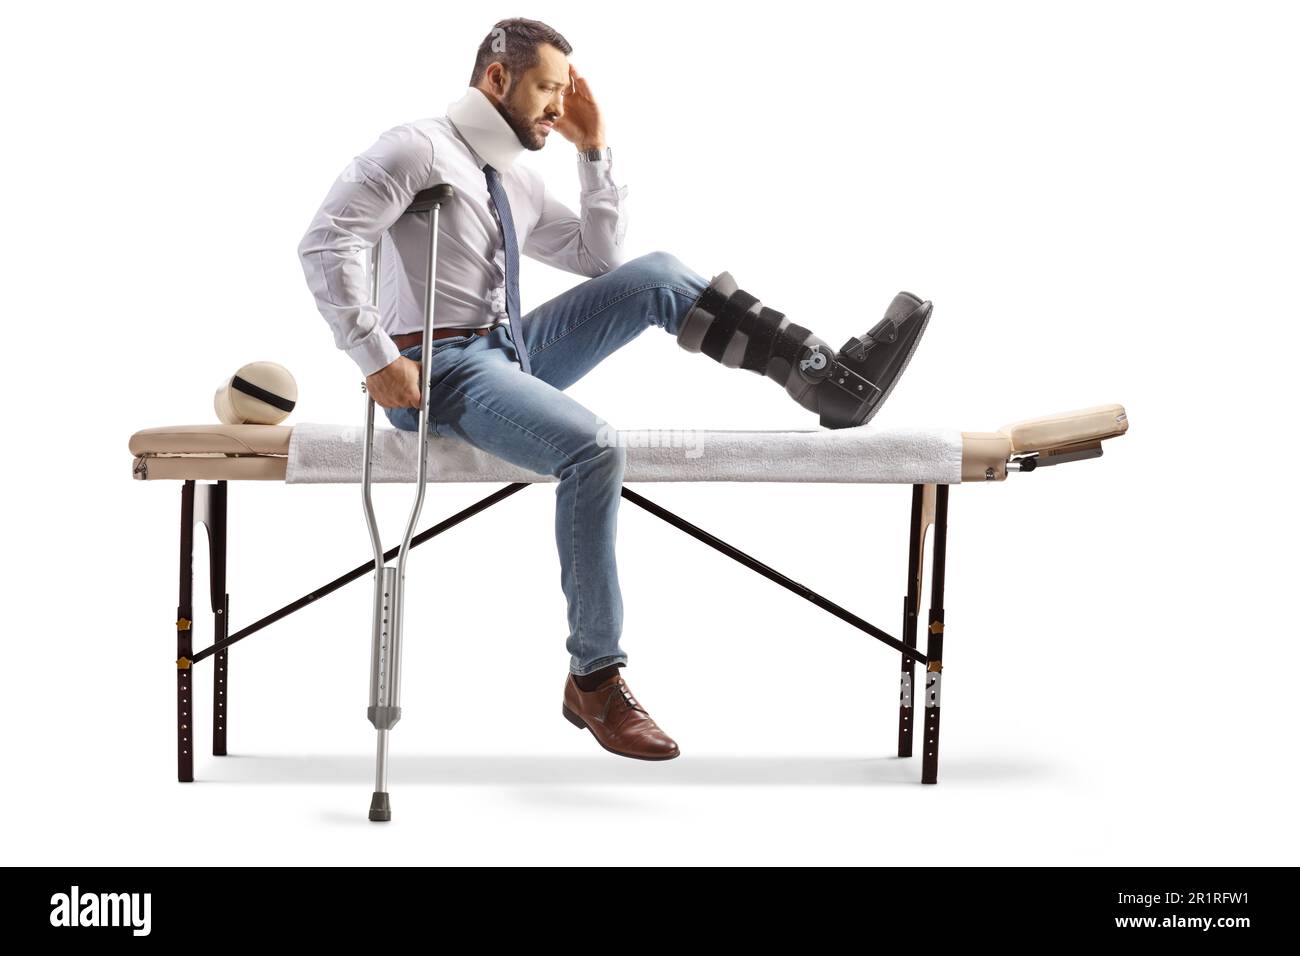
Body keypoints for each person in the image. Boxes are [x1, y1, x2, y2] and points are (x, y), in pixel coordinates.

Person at [297, 17, 931, 762]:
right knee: (595, 450)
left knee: (658, 274)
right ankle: (593, 679)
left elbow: (603, 261)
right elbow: (326, 241)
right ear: (496, 79)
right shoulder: (416, 148)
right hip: (436, 372)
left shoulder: (514, 177)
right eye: (547, 89)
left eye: (565, 94)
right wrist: (373, 356)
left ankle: (825, 377)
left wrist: (593, 151)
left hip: (507, 352)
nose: (556, 108)